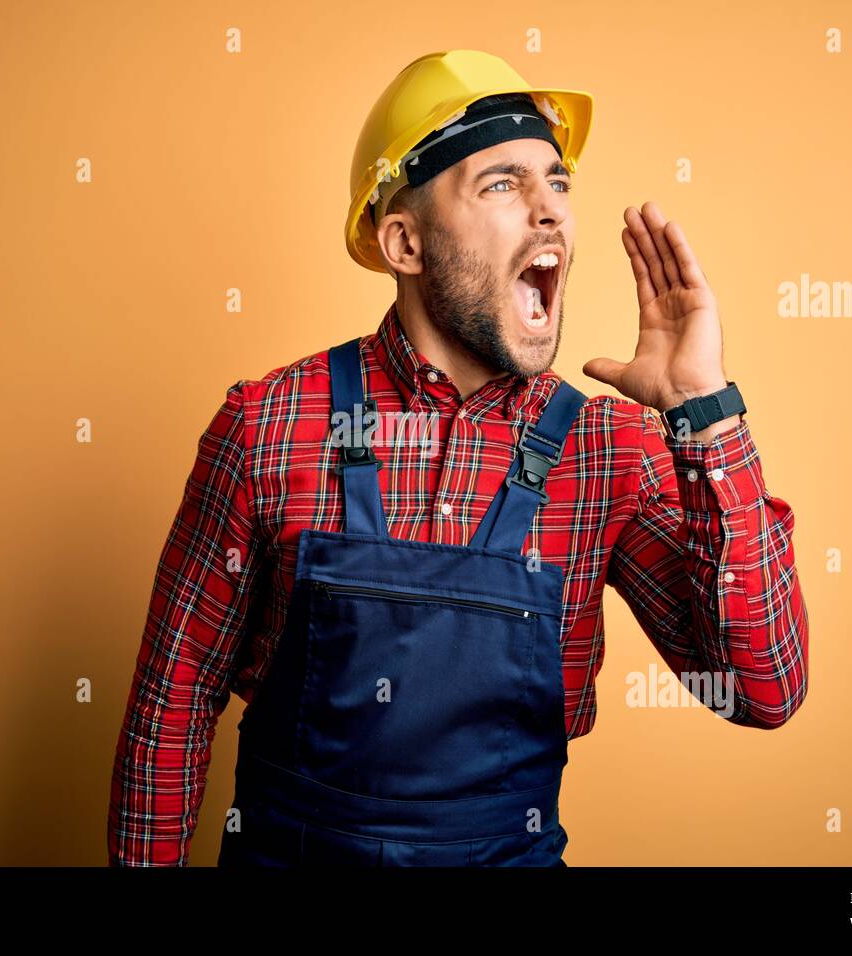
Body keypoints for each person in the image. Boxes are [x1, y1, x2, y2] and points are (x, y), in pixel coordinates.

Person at [108, 49, 809, 867]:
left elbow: (764, 692)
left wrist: (707, 416)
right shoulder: (270, 425)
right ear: (404, 241)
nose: (549, 212)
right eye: (502, 184)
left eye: (558, 183)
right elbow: (172, 702)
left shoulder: (609, 450)